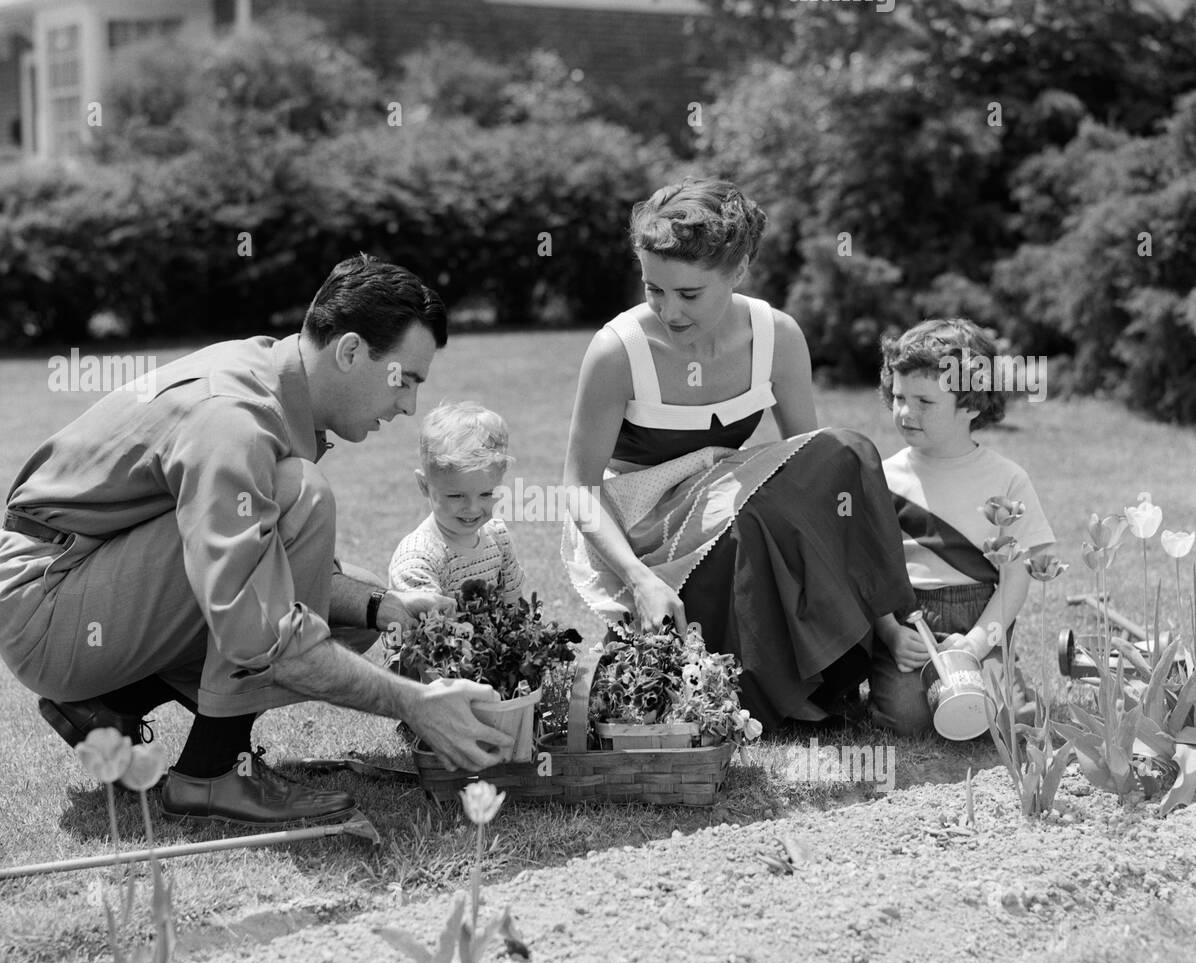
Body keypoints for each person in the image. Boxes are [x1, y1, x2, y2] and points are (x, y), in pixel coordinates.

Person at [0, 255, 513, 826]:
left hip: (84, 583)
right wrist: (415, 703)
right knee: (303, 496)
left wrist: (383, 607)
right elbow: (261, 629)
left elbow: (281, 588)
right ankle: (211, 773)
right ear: (352, 351)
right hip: (47, 602)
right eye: (404, 379)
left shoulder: (275, 379)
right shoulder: (234, 417)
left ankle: (111, 705)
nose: (409, 405)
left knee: (360, 606)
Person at [560, 177, 916, 730]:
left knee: (843, 453)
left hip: (727, 508)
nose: (669, 311)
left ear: (739, 270)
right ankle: (772, 687)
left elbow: (810, 466)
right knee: (749, 515)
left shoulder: (777, 336)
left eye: (689, 294)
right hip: (647, 533)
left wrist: (873, 596)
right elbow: (579, 489)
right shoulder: (617, 351)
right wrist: (638, 579)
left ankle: (876, 635)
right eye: (654, 289)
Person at [868, 318, 1055, 735]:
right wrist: (891, 633)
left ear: (971, 404)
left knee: (1005, 720)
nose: (905, 412)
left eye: (924, 402)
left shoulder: (1006, 479)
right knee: (907, 720)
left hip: (980, 620)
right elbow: (869, 571)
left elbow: (1014, 579)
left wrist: (975, 645)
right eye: (898, 397)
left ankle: (1000, 680)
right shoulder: (882, 476)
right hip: (910, 623)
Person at [389, 401, 525, 603]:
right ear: (424, 485)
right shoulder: (418, 557)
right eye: (456, 496)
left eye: (487, 494)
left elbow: (514, 605)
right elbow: (429, 630)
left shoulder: (498, 535)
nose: (473, 508)